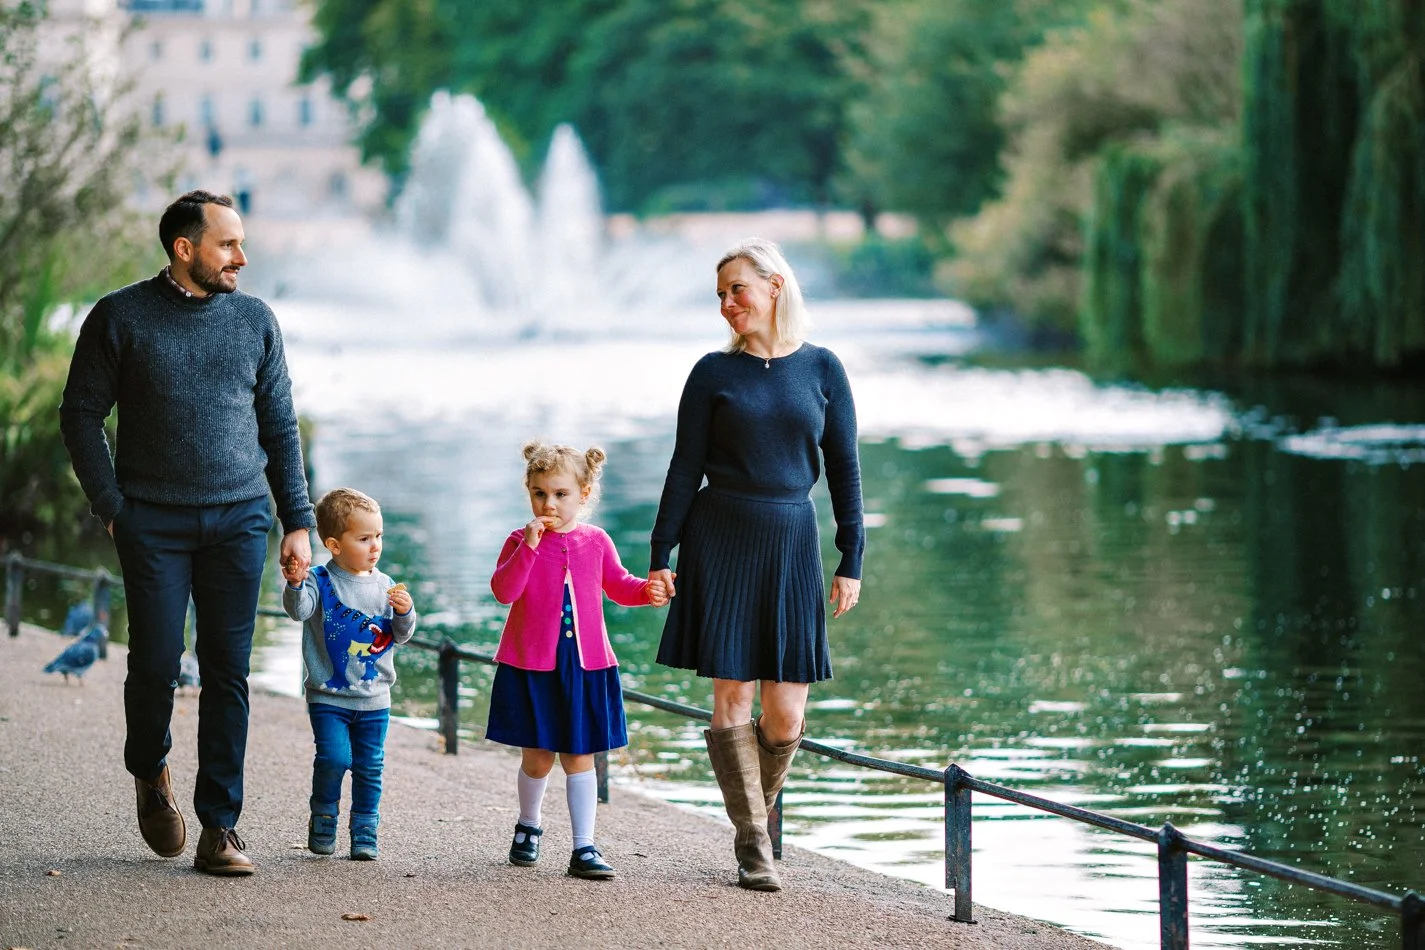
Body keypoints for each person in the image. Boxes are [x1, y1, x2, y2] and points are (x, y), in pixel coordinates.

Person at [59, 189, 315, 876]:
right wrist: (112, 505)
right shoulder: (120, 317)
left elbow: (279, 426)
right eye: (228, 244)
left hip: (240, 519)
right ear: (184, 248)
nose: (242, 257)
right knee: (155, 664)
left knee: (228, 671)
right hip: (153, 521)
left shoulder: (255, 320)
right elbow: (80, 413)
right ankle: (149, 768)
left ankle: (220, 826)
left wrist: (298, 521)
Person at [647, 237, 864, 892]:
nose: (727, 303)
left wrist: (851, 556)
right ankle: (752, 845)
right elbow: (684, 467)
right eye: (719, 294)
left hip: (792, 539)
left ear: (774, 286)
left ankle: (754, 821)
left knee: (786, 713)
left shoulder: (822, 368)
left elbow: (845, 469)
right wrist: (660, 553)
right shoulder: (712, 373)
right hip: (721, 537)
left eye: (736, 288)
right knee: (732, 698)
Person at [487, 441, 668, 880]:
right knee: (537, 758)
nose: (548, 504)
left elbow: (619, 584)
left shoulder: (596, 540)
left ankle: (583, 847)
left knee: (580, 756)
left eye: (560, 494)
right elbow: (504, 591)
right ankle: (528, 826)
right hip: (533, 665)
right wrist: (529, 548)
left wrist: (647, 591)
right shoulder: (518, 540)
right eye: (539, 493)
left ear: (583, 494)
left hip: (585, 666)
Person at [281, 488, 417, 861]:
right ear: (334, 545)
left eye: (378, 536)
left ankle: (365, 830)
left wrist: (405, 613)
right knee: (334, 758)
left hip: (375, 699)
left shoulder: (386, 585)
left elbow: (400, 635)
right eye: (364, 538)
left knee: (370, 767)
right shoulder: (319, 580)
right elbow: (299, 611)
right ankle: (324, 816)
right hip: (329, 696)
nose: (375, 546)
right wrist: (295, 584)